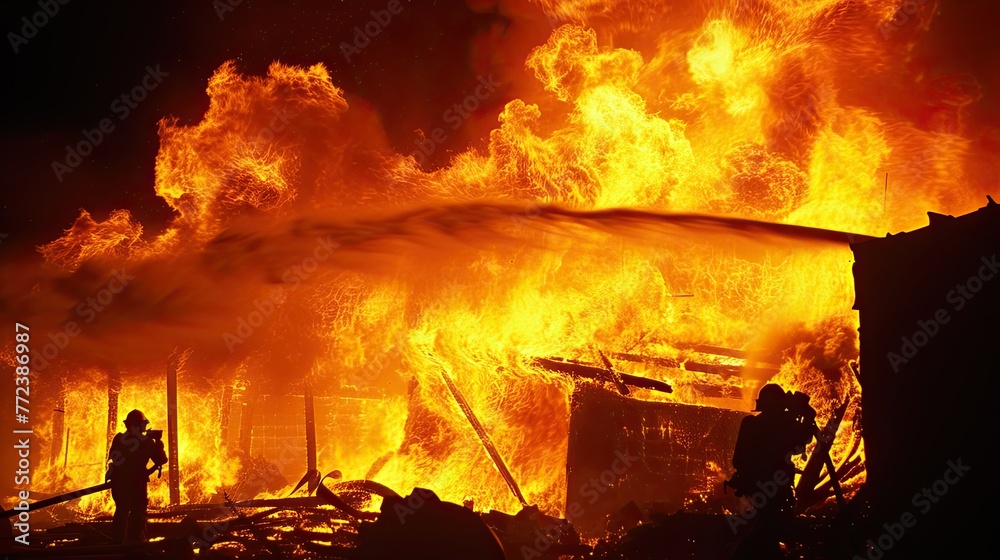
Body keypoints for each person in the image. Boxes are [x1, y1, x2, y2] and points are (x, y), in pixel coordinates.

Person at [728, 384, 815, 559]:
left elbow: (737, 460)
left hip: (758, 486)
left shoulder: (750, 423)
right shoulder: (782, 426)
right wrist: (807, 417)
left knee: (767, 529)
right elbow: (800, 443)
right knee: (766, 529)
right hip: (774, 487)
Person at [105, 409, 168, 544]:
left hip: (119, 484)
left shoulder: (119, 439)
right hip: (137, 485)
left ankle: (118, 544)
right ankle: (135, 546)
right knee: (137, 515)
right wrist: (158, 443)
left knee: (121, 512)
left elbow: (112, 459)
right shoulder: (146, 442)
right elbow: (162, 460)